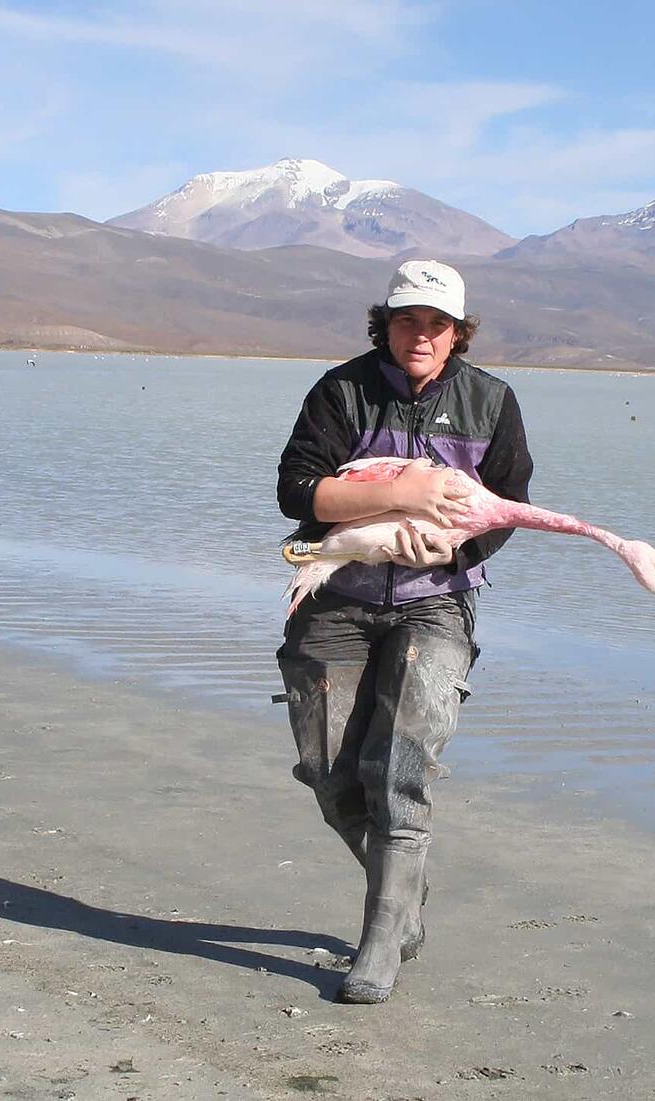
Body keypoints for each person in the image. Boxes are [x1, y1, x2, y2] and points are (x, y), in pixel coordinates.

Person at [275, 259, 534, 1003]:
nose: (421, 335)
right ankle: (405, 894)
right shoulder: (342, 391)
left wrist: (454, 545)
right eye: (407, 320)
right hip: (338, 595)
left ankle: (382, 935)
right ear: (385, 324)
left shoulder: (491, 402)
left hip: (437, 600)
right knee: (330, 772)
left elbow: (511, 504)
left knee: (400, 769)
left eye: (436, 324)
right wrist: (404, 492)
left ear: (458, 333)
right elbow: (297, 489)